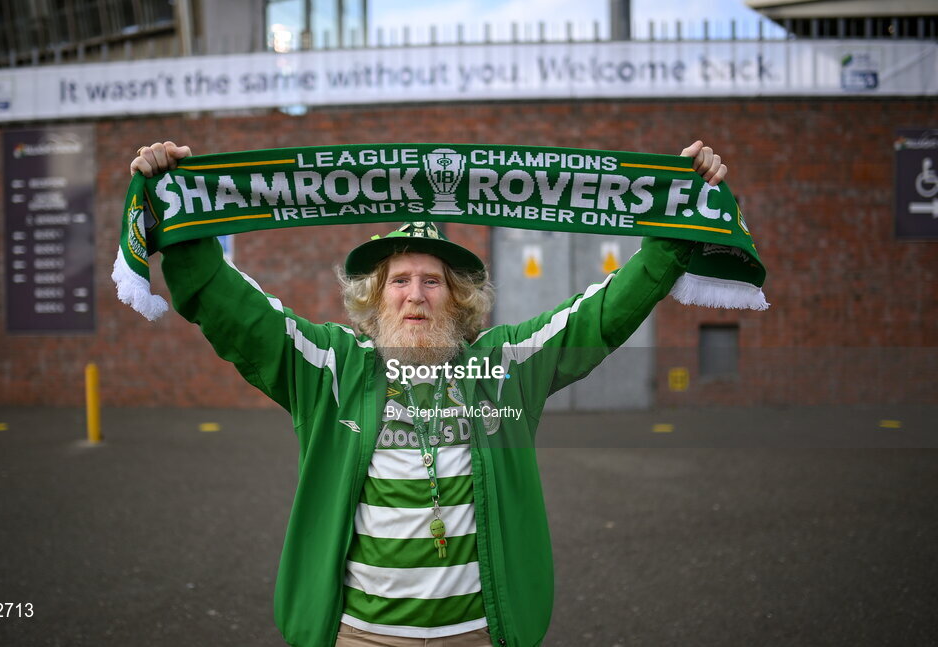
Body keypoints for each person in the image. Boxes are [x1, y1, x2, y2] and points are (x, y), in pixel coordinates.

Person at [130, 141, 726, 647]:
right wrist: (178, 213)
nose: (415, 295)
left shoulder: (502, 366)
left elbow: (598, 317)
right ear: (376, 296)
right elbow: (238, 313)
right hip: (359, 635)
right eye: (400, 280)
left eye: (432, 280)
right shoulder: (331, 367)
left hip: (477, 633)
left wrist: (675, 222)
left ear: (457, 297)